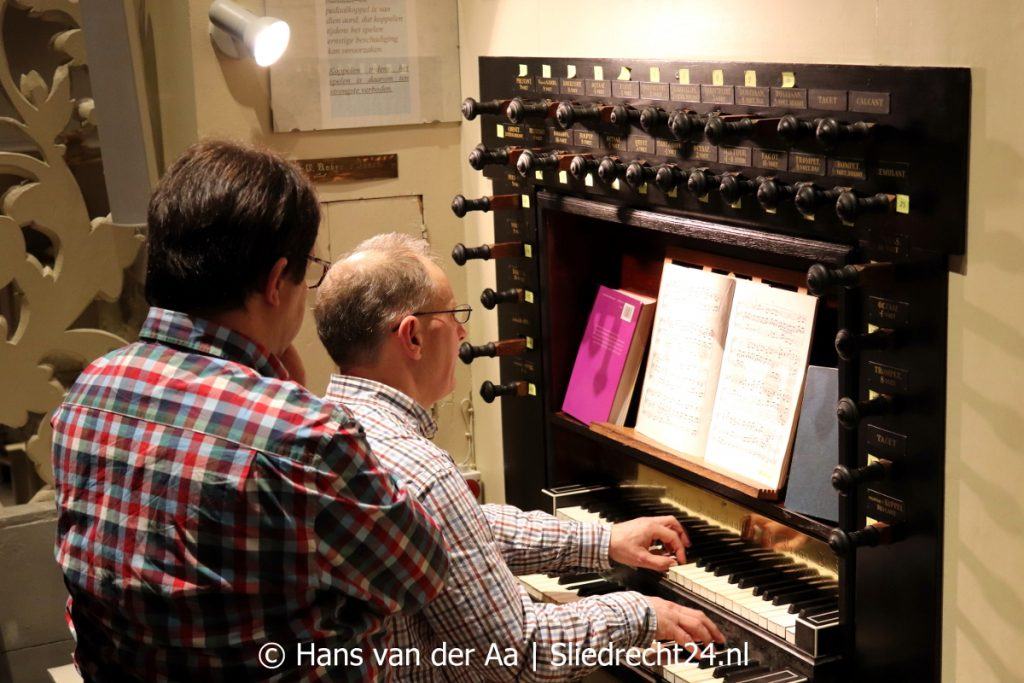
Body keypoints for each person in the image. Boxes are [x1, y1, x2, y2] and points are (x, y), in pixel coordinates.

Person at [50, 141, 449, 682]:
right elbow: (420, 574)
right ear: (275, 280)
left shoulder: (90, 392)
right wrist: (295, 402)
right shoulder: (302, 436)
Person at [314, 233, 724, 682]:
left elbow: (461, 528)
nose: (463, 332)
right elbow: (522, 654)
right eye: (453, 315)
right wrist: (640, 613)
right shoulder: (421, 470)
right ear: (412, 336)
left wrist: (600, 541)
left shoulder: (330, 428)